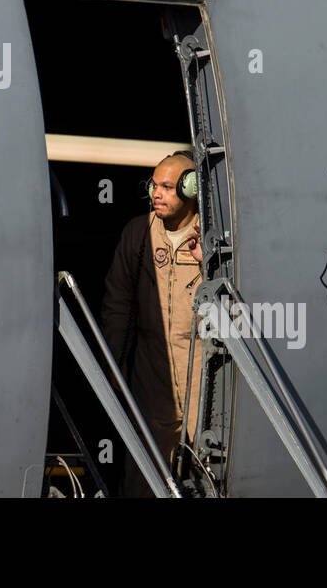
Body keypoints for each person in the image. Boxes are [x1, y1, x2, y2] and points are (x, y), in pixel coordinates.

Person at [101, 151, 205, 496]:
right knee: (143, 477)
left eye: (166, 186)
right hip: (151, 376)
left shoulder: (213, 241)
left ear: (191, 190)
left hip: (200, 374)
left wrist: (208, 264)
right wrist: (114, 364)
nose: (155, 193)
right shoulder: (138, 234)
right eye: (152, 185)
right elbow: (118, 304)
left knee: (204, 473)